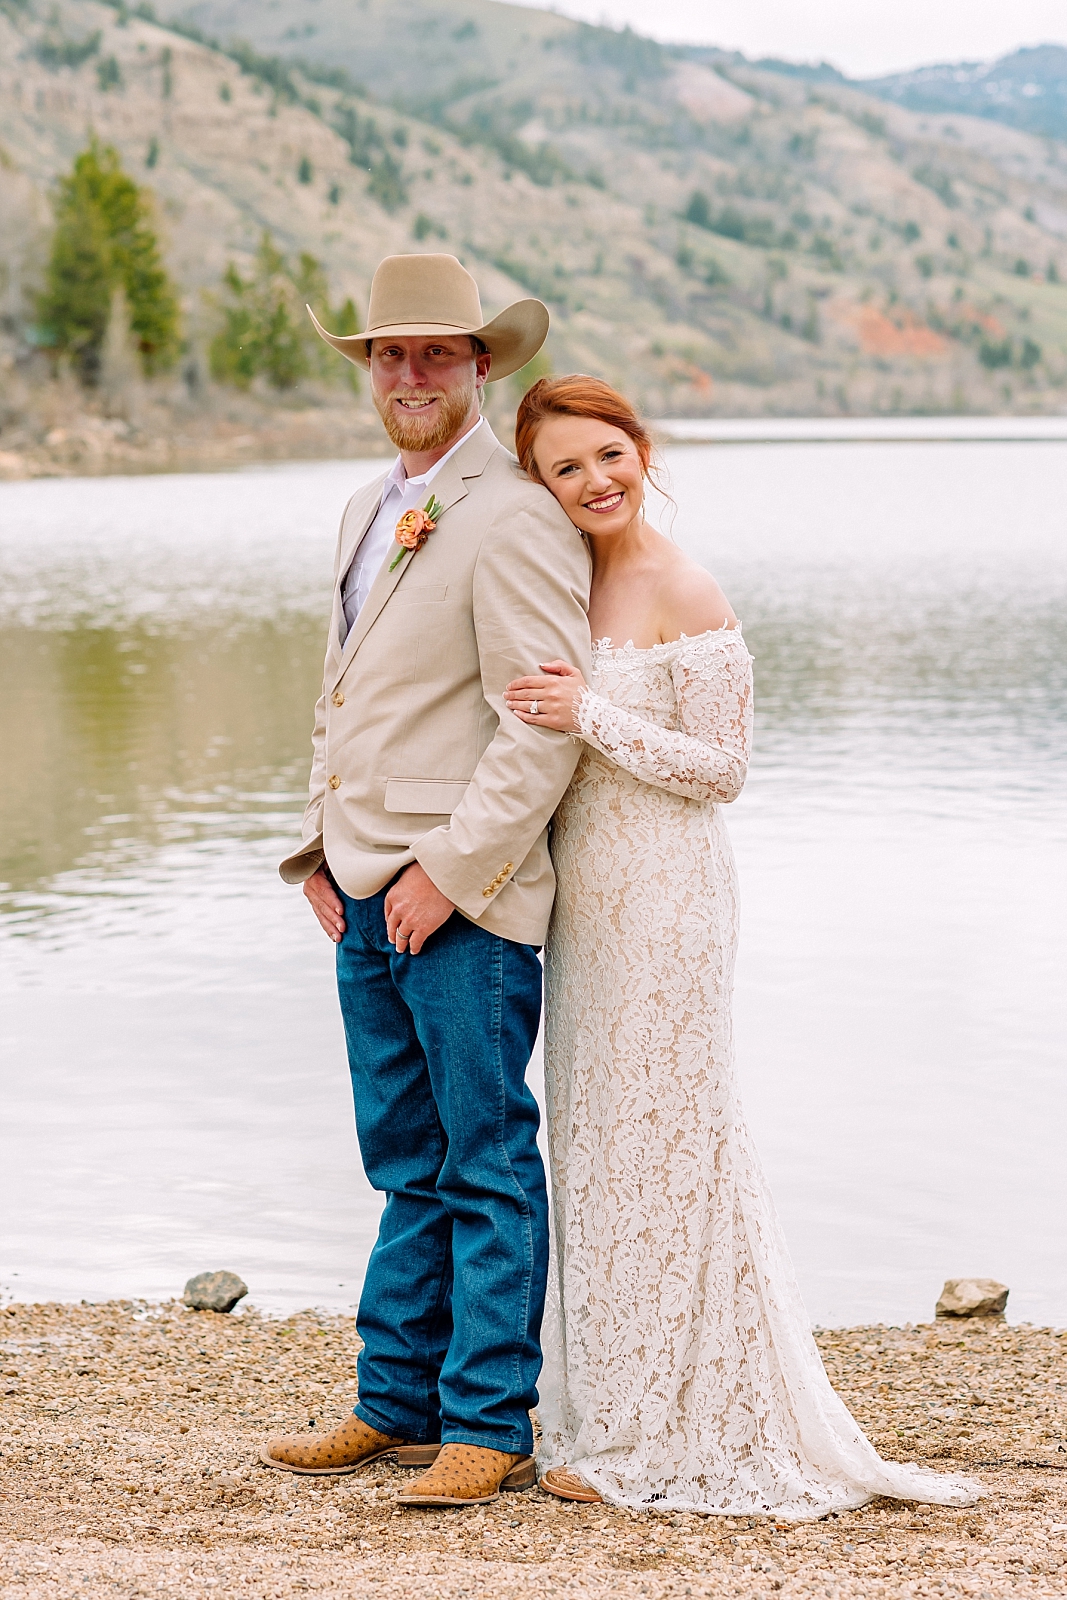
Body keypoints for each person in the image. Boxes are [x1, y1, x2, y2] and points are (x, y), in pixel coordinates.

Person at [503, 375, 977, 1518]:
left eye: (607, 454)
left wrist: (591, 715)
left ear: (640, 448)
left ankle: (687, 1413)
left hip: (667, 897)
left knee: (673, 1137)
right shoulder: (569, 580)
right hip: (585, 901)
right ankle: (606, 1399)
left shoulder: (683, 583)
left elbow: (721, 771)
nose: (593, 480)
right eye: (564, 468)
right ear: (540, 486)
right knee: (599, 1138)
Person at [260, 256, 591, 1508]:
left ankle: (485, 1422)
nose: (409, 374)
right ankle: (391, 1402)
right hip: (357, 885)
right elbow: (341, 696)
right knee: (403, 1155)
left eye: (434, 354)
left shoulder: (512, 514)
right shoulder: (364, 507)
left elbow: (541, 725)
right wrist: (315, 846)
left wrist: (448, 873)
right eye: (389, 355)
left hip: (461, 897)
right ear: (369, 371)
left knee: (486, 1154)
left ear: (479, 366)